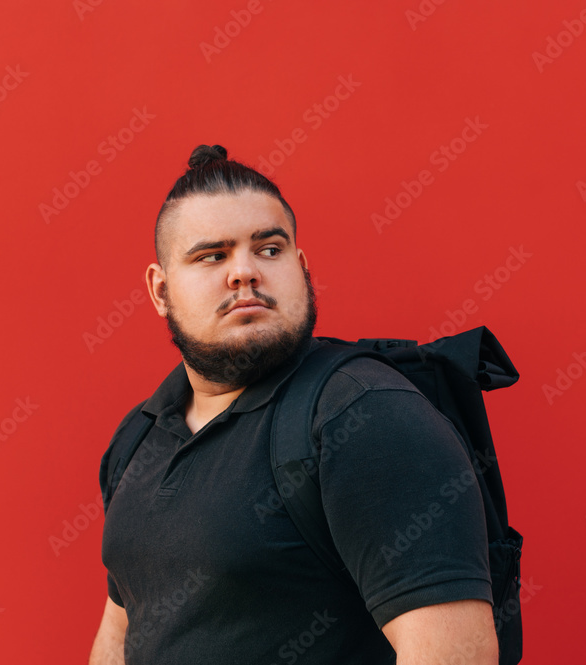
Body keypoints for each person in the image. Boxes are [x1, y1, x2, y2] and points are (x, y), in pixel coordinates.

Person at [90, 144, 499, 664]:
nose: (244, 273)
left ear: (301, 268)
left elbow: (454, 656)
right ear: (160, 290)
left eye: (268, 249)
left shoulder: (364, 416)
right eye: (212, 256)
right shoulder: (140, 436)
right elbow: (120, 632)